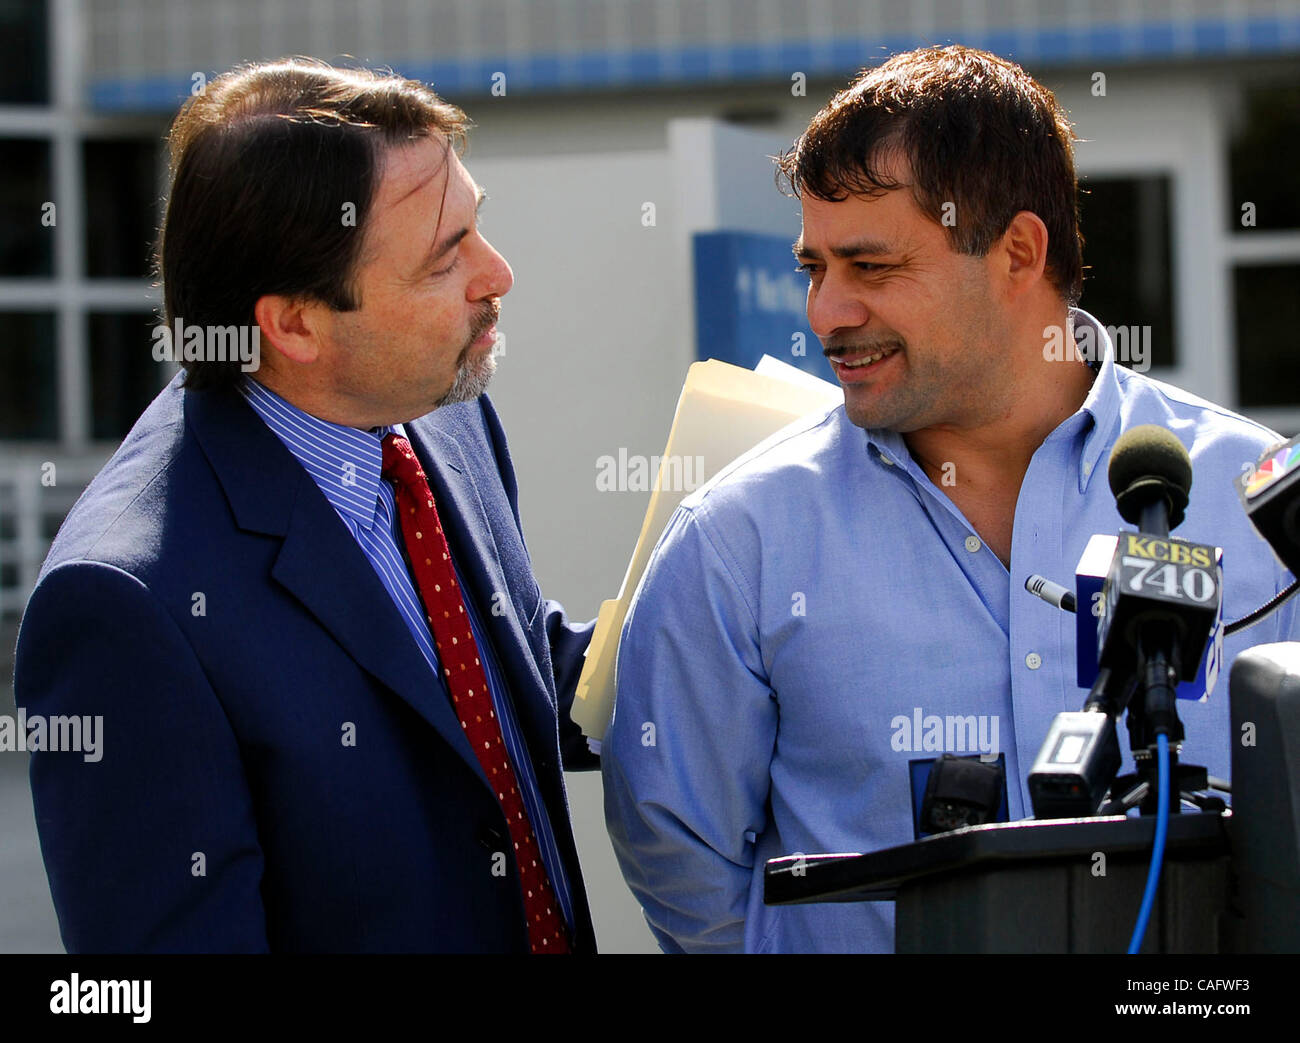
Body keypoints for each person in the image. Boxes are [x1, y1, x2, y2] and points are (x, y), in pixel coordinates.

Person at [601, 45, 1299, 953]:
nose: (825, 313)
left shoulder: (1262, 512)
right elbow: (677, 854)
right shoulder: (740, 542)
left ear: (1018, 252)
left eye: (872, 267)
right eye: (814, 268)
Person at [14, 58, 599, 953]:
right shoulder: (127, 608)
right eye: (448, 256)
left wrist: (737, 606)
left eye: (479, 226)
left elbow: (500, 680)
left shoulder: (441, 413)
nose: (498, 274)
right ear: (293, 325)